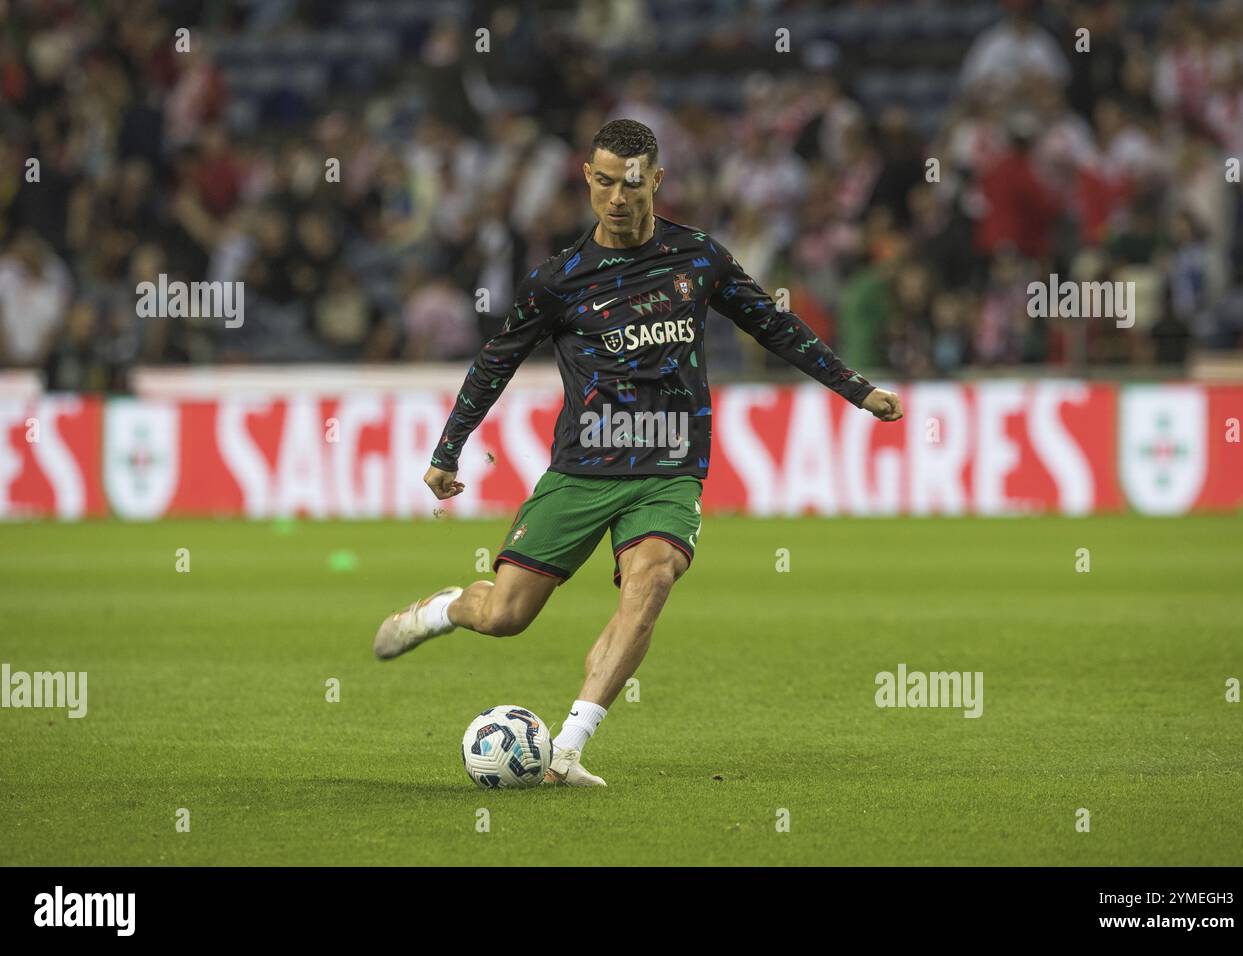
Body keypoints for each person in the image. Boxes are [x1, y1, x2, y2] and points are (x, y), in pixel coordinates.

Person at [373, 119, 902, 786]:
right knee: (506, 616)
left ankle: (566, 747)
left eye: (630, 183)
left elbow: (774, 325)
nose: (616, 197)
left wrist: (856, 389)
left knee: (651, 582)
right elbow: (493, 364)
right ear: (586, 180)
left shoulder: (699, 258)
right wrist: (449, 450)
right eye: (602, 182)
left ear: (655, 180)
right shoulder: (558, 281)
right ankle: (445, 609)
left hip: (668, 469)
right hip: (584, 466)